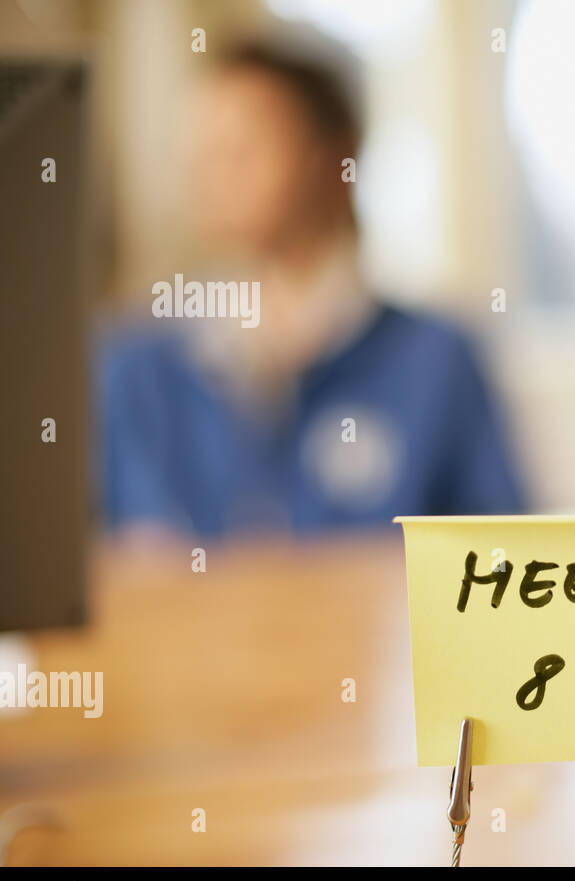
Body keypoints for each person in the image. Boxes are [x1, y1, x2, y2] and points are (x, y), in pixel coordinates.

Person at [98, 39, 525, 537]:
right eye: (201, 154)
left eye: (241, 150)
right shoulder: (136, 367)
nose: (212, 176)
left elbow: (504, 557)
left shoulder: (436, 360)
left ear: (332, 159)